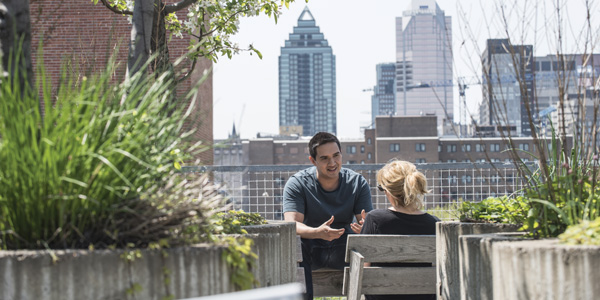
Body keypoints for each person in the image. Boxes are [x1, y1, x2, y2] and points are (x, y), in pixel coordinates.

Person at [283, 132, 373, 300]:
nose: (332, 163)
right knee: (296, 245)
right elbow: (292, 224)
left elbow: (366, 223)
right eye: (324, 158)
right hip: (310, 245)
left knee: (369, 244)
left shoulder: (357, 182)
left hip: (343, 245)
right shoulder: (297, 183)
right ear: (313, 161)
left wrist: (364, 228)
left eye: (336, 155)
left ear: (341, 154)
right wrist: (317, 232)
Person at [361, 160, 439, 300]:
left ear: (389, 192)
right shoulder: (434, 224)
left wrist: (366, 232)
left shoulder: (374, 219)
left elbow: (364, 271)